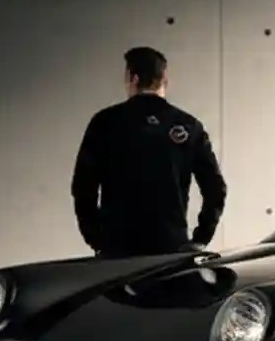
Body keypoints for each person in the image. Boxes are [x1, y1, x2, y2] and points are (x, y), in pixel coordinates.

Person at [71, 47, 226, 257]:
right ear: (164, 81)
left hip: (118, 248)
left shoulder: (105, 122)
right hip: (171, 248)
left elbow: (83, 186)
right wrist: (201, 239)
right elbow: (215, 188)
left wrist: (96, 238)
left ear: (132, 79)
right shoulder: (189, 126)